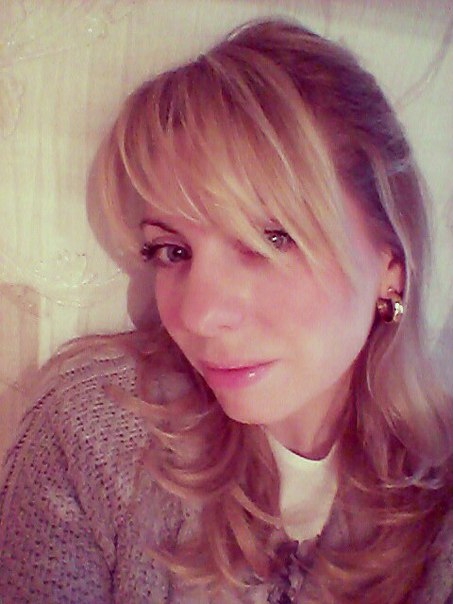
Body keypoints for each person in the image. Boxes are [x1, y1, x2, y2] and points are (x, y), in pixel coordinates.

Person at [1, 18, 452, 604]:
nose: (199, 314)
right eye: (172, 251)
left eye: (270, 240)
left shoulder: (439, 500)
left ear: (390, 265)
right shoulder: (91, 433)